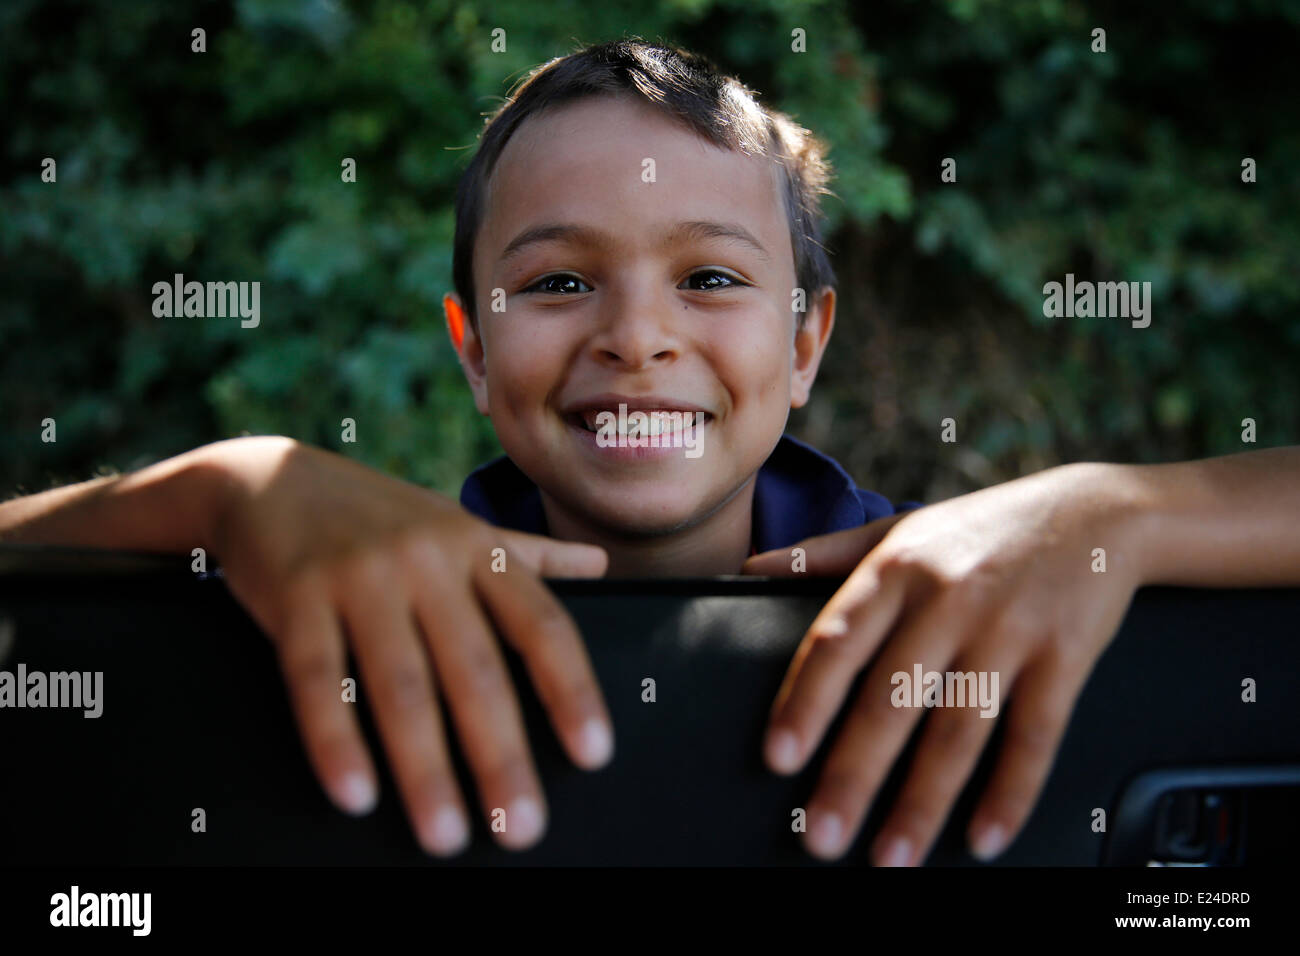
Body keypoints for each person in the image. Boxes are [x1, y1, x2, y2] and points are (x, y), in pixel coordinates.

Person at [2, 39, 1297, 866]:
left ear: (806, 342)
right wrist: (227, 489)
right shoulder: (359, 586)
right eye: (559, 283)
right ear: (470, 347)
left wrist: (1120, 511)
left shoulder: (942, 590)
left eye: (711, 277)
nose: (637, 337)